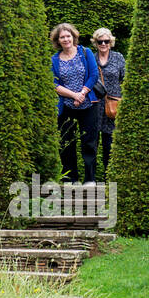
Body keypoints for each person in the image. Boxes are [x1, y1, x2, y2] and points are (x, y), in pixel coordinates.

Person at [50, 22, 99, 184]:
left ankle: (90, 179)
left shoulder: (86, 52)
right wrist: (74, 95)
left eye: (68, 36)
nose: (65, 39)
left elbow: (93, 75)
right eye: (62, 37)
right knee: (66, 143)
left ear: (73, 37)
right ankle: (71, 179)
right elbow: (54, 84)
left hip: (88, 105)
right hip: (67, 106)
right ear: (58, 40)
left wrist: (83, 93)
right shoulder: (54, 60)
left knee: (89, 143)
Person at [90, 27, 124, 179]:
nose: (103, 44)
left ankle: (108, 177)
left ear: (111, 42)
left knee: (110, 144)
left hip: (113, 105)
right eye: (100, 41)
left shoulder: (118, 57)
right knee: (92, 143)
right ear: (95, 43)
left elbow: (125, 79)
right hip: (94, 105)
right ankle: (90, 178)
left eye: (106, 41)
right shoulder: (91, 57)